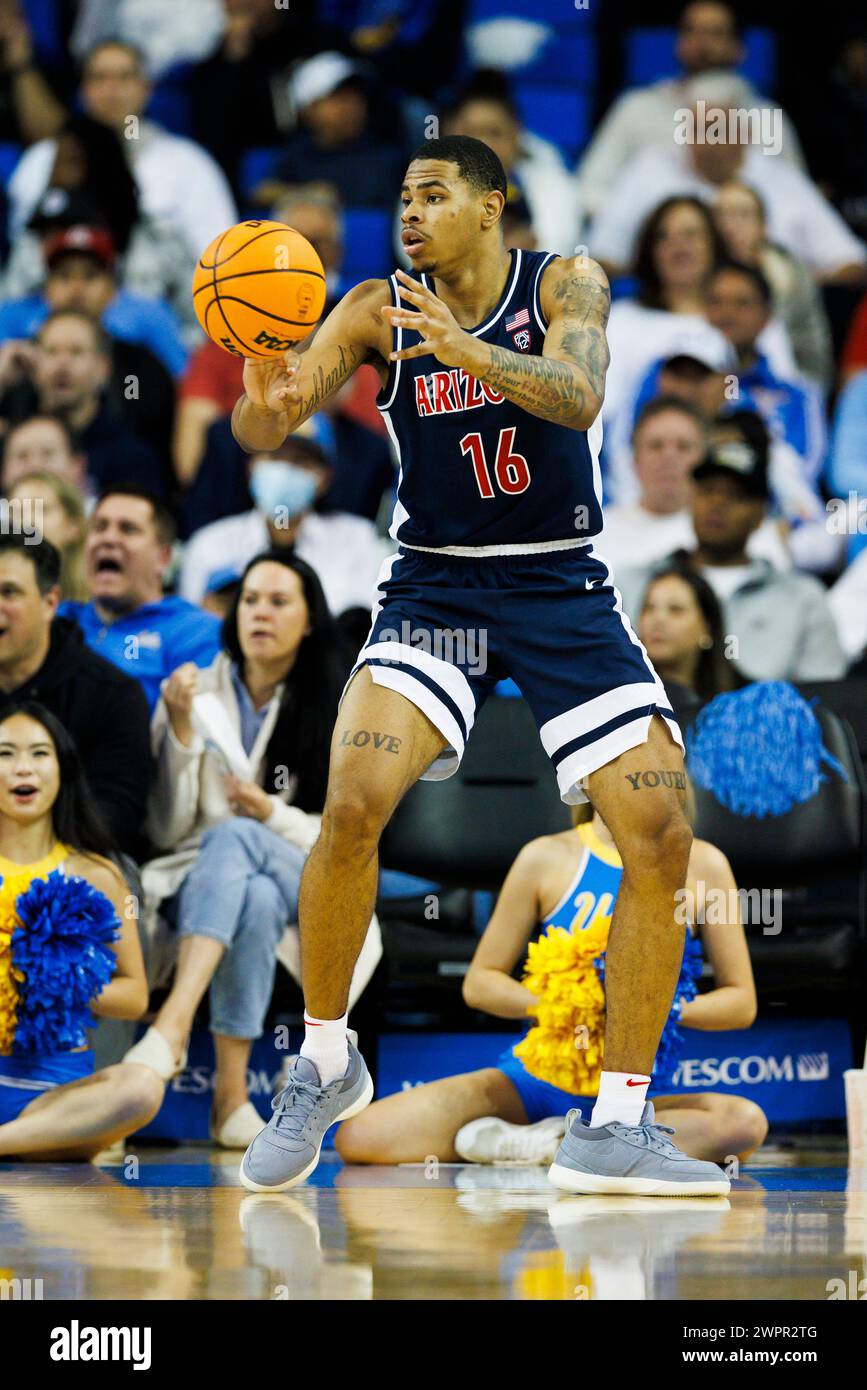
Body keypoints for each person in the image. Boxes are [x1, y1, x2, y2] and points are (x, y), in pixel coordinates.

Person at [231, 132, 731, 1196]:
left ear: (495, 205)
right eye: (402, 195)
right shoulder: (376, 307)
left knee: (660, 830)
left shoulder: (567, 282)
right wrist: (266, 392)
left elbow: (580, 394)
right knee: (354, 796)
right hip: (437, 588)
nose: (409, 211)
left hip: (559, 585)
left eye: (434, 193)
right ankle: (323, 1061)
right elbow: (265, 425)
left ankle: (619, 1120)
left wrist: (463, 349)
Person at [335, 803, 766, 1168]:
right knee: (361, 1136)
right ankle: (565, 1144)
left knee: (742, 1122)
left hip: (642, 1095)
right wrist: (565, 1002)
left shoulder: (704, 864)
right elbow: (481, 983)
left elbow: (740, 1001)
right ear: (588, 775)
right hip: (533, 1083)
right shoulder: (544, 857)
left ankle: (554, 1144)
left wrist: (646, 1008)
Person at [129, 552, 381, 1148]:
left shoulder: (339, 703)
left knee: (242, 836)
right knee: (257, 895)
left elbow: (343, 841)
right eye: (249, 600)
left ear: (309, 619)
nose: (259, 614)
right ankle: (230, 1099)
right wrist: (180, 734)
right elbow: (164, 830)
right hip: (210, 878)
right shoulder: (193, 690)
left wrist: (268, 813)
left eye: (278, 601)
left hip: (314, 874)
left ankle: (172, 1024)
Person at [0, 702, 164, 1160]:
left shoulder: (96, 874)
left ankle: (19, 1141)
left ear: (62, 768)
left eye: (39, 753)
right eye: (5, 754)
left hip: (53, 1100)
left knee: (141, 1087)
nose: (22, 768)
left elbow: (134, 997)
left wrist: (53, 981)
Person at [6, 39, 236, 325]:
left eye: (124, 77)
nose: (111, 90)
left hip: (156, 317)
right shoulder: (44, 158)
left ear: (146, 88)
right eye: (99, 78)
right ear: (82, 89)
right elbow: (19, 261)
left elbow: (221, 266)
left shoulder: (188, 162)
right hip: (47, 323)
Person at [589, 75, 867, 287]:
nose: (707, 143)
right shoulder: (649, 169)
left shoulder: (782, 178)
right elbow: (602, 256)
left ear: (745, 132)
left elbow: (849, 261)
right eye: (698, 129)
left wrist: (789, 285)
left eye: (718, 130)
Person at [616, 442, 848, 682]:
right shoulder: (631, 585)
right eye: (708, 491)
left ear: (760, 515)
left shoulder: (803, 599)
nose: (717, 504)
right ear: (692, 501)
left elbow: (824, 699)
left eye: (734, 496)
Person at [574, 1, 805, 224]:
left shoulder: (768, 118)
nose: (702, 42)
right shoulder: (637, 107)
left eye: (715, 33)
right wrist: (645, 232)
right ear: (678, 42)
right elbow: (592, 189)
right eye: (691, 31)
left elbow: (796, 200)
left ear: (739, 48)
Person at [0, 536, 151, 858]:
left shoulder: (112, 694)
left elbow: (115, 820)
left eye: (9, 592)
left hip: (78, 861)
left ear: (50, 602)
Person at [179, 434, 389, 629]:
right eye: (275, 457)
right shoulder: (209, 545)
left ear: (324, 478)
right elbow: (190, 631)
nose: (285, 471)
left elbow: (364, 627)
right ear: (252, 467)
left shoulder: (358, 540)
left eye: (300, 461)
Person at [60, 486, 221, 712]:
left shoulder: (196, 632)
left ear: (163, 558)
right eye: (99, 527)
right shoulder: (60, 621)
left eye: (128, 529)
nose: (108, 538)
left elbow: (196, 731)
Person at [0, 309, 168, 498]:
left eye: (76, 352)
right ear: (33, 364)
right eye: (51, 352)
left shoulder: (131, 457)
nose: (62, 364)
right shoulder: (12, 439)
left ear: (103, 368)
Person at [0, 222, 188, 378]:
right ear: (47, 284)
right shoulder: (14, 318)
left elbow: (181, 382)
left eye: (90, 276)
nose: (76, 288)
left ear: (111, 284)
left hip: (128, 404)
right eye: (64, 276)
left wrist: (133, 390)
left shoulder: (148, 317)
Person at [704, 261, 825, 482]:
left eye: (742, 303)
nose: (727, 313)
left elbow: (806, 467)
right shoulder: (675, 378)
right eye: (716, 302)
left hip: (777, 508)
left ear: (766, 315)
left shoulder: (799, 394)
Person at [440, 71, 581, 258]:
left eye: (495, 133)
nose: (483, 144)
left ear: (516, 136)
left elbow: (559, 244)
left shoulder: (553, 183)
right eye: (470, 132)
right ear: (448, 135)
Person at [712, 180, 834, 391]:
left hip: (781, 390)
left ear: (763, 227)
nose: (730, 225)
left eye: (743, 214)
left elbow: (813, 355)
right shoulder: (695, 279)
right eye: (721, 215)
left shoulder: (791, 277)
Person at [597, 397, 705, 574]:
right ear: (635, 460)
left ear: (704, 460)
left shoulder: (725, 538)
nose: (669, 457)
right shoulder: (597, 534)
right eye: (656, 446)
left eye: (683, 447)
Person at [637, 564, 740, 701]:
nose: (658, 619)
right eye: (649, 608)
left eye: (675, 610)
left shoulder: (737, 703)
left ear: (707, 627)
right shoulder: (618, 696)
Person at [5, 470, 88, 601]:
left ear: (74, 527)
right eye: (18, 511)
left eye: (42, 510)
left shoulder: (99, 599)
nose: (28, 521)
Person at [1, 413, 88, 494]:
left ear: (77, 466)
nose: (35, 465)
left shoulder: (98, 509)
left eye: (47, 454)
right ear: (4, 472)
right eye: (22, 456)